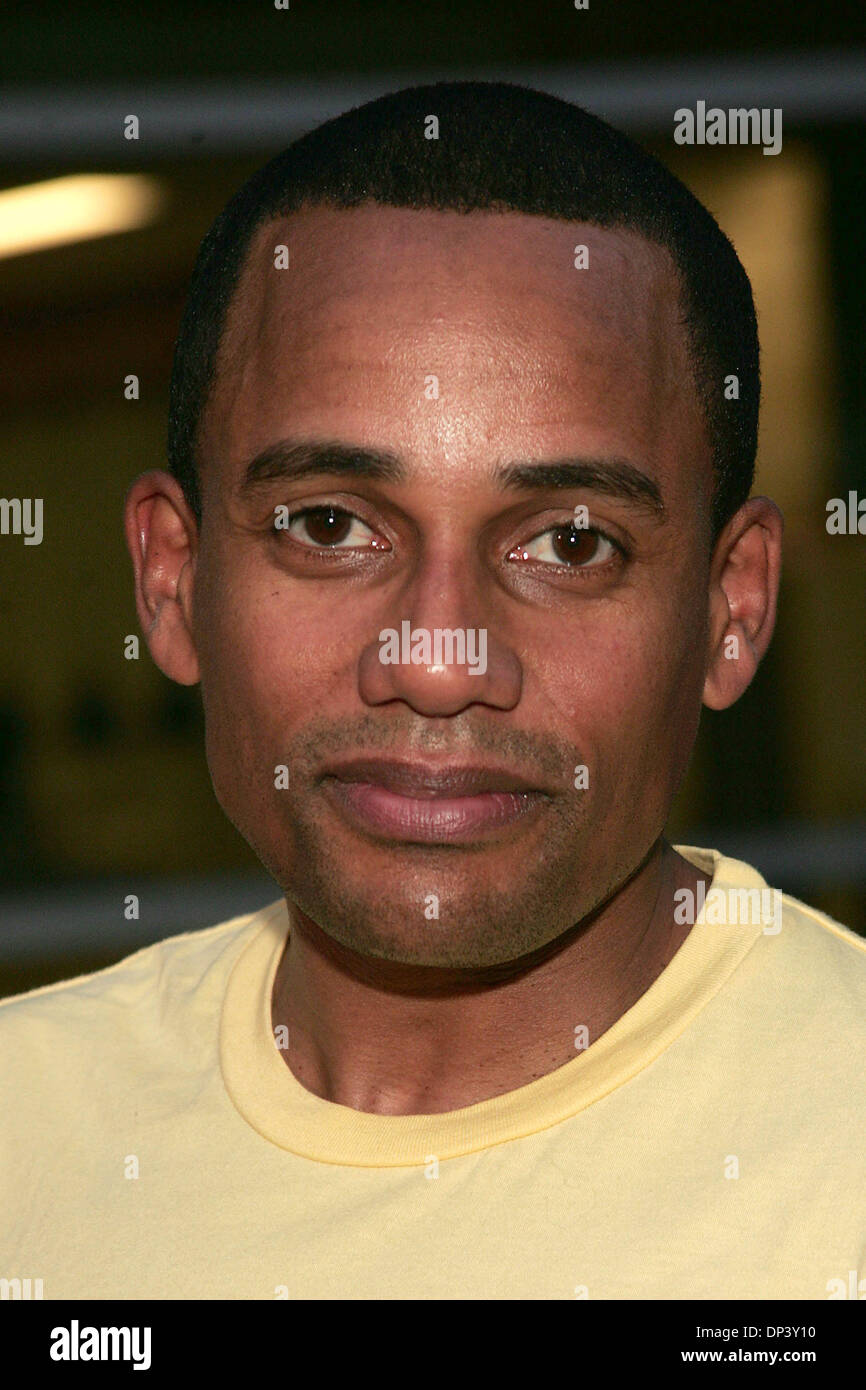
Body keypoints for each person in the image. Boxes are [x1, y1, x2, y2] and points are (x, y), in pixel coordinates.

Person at [1, 81, 863, 1301]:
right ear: (173, 582)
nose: (441, 657)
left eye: (570, 543)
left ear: (731, 610)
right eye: (326, 524)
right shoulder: (23, 1137)